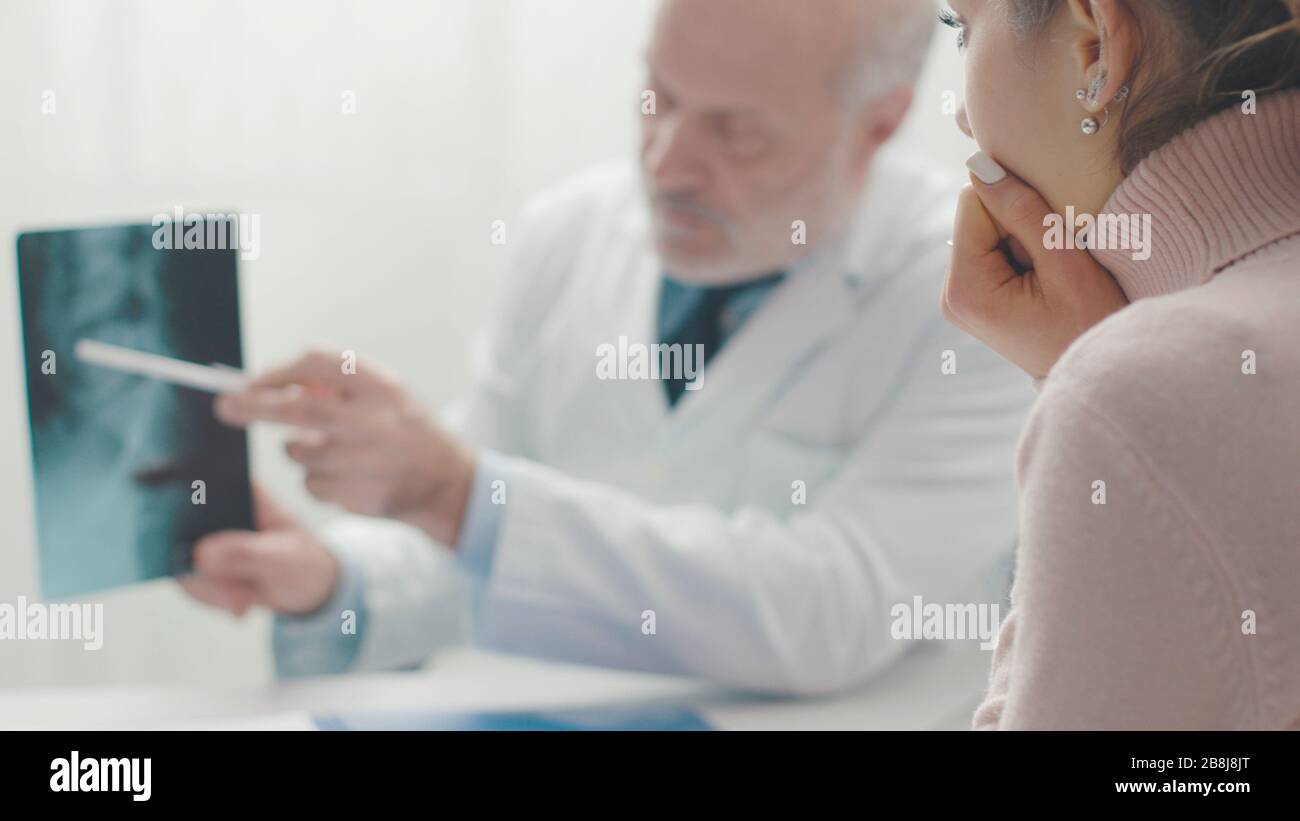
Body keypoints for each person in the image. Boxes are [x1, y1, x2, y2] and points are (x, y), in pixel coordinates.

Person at [182, 0, 1031, 697]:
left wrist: (450, 487)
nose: (666, 165)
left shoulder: (978, 297)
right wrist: (333, 578)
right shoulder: (571, 234)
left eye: (735, 131)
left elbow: (831, 609)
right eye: (659, 97)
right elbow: (482, 548)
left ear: (880, 123)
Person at [938, 0, 1300, 727]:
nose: (965, 123)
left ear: (1094, 46)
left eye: (962, 26)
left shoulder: (1139, 401)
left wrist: (1081, 381)